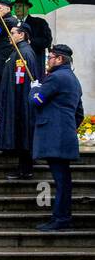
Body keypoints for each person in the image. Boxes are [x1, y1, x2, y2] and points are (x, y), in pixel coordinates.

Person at [32, 44, 85, 231]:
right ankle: (62, 216)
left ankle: (61, 218)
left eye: (51, 57)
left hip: (54, 137)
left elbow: (36, 100)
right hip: (65, 136)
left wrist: (34, 88)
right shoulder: (73, 79)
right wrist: (67, 129)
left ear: (60, 59)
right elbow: (79, 114)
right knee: (63, 179)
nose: (48, 60)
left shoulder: (55, 77)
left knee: (61, 180)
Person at [0, 21, 40, 179]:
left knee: (23, 134)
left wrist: (17, 101)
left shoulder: (24, 53)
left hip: (20, 103)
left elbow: (21, 81)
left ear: (21, 35)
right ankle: (22, 168)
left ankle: (26, 169)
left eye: (13, 32)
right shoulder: (17, 51)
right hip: (14, 100)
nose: (10, 35)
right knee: (20, 135)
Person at [13, 0, 52, 64]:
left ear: (27, 7)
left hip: (34, 60)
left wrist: (29, 41)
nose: (17, 8)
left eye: (20, 6)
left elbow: (47, 41)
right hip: (16, 61)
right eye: (15, 6)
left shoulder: (39, 22)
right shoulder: (12, 24)